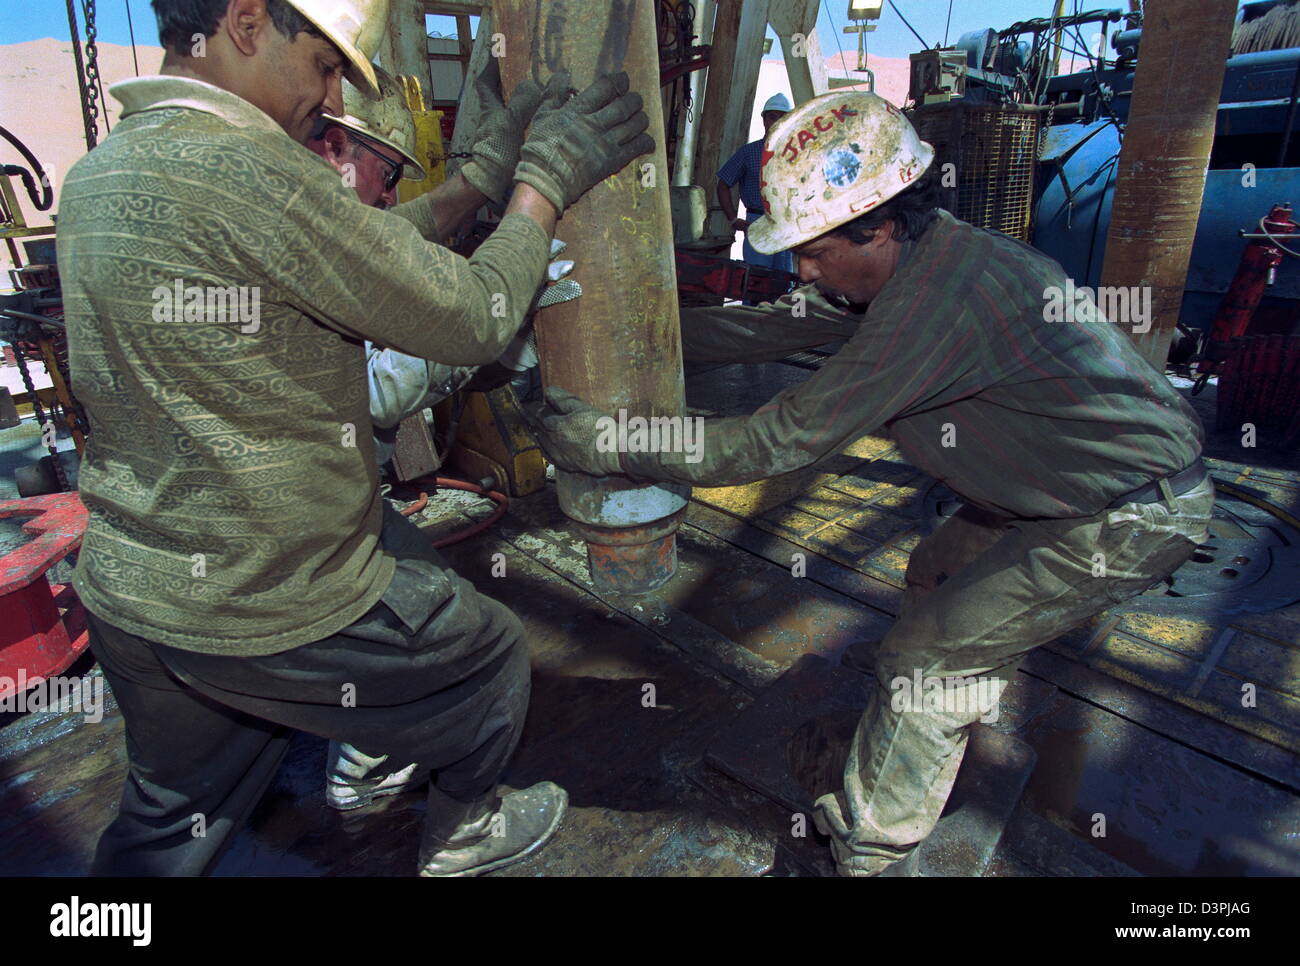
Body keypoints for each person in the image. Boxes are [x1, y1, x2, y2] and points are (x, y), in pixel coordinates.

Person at [524, 91, 1213, 877]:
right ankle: (919, 739)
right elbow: (779, 326)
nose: (803, 269)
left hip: (1125, 514)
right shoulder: (916, 259)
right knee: (936, 575)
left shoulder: (938, 301)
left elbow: (770, 439)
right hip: (1047, 489)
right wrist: (633, 336)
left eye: (814, 253)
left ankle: (871, 847)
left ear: (879, 226)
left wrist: (610, 441)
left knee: (931, 656)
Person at [58, 0, 651, 876]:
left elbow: (349, 253)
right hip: (265, 598)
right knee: (486, 657)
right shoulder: (255, 169)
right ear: (249, 23)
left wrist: (482, 176)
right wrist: (545, 181)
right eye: (327, 66)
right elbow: (477, 315)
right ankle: (463, 833)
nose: (330, 93)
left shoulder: (100, 174)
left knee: (173, 817)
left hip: (133, 594)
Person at [303, 64, 576, 810]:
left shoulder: (287, 211)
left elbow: (398, 244)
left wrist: (488, 179)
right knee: (466, 640)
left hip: (201, 560)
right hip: (294, 537)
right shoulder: (289, 224)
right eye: (386, 174)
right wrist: (503, 309)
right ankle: (437, 807)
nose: (392, 197)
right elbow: (376, 388)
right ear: (333, 148)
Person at [716, 92, 793, 277]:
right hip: (757, 223)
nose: (776, 122)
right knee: (754, 281)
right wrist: (733, 219)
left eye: (782, 117)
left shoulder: (795, 154)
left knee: (784, 283)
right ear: (763, 119)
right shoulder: (748, 152)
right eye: (772, 116)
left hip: (786, 226)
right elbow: (723, 184)